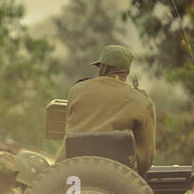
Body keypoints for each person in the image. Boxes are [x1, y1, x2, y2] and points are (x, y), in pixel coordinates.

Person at [54, 44, 156, 173]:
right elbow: (146, 159)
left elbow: (68, 128)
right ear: (127, 72)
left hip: (68, 174)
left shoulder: (77, 90)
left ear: (104, 67)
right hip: (117, 179)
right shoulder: (142, 102)